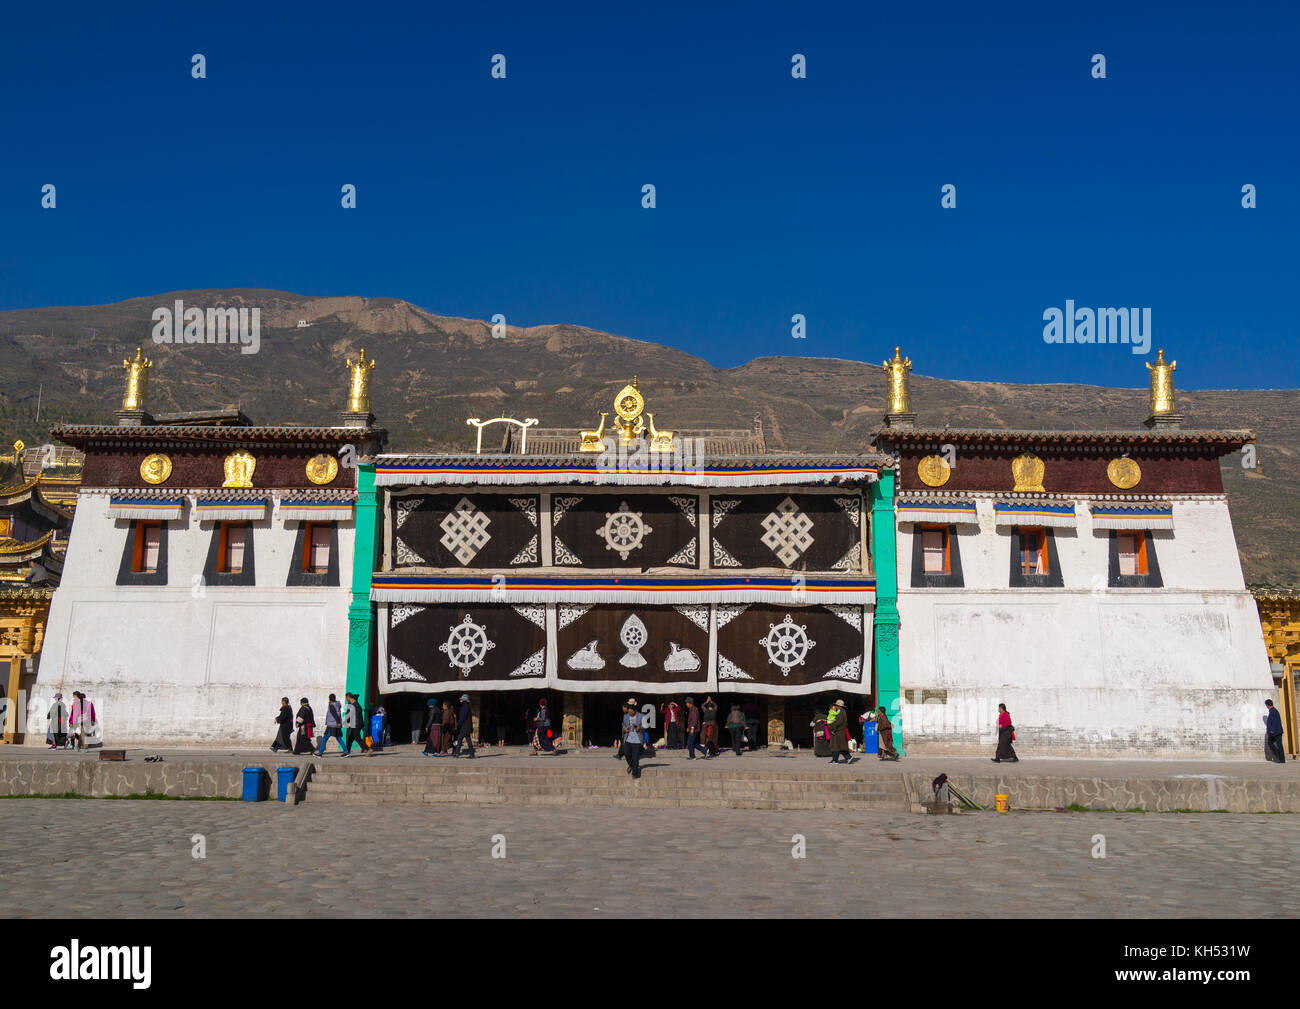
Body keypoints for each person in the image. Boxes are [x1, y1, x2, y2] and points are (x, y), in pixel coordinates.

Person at [827, 699, 854, 764]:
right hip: (838, 731)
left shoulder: (841, 711)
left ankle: (844, 758)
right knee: (838, 746)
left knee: (838, 746)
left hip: (839, 731)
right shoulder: (840, 711)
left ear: (838, 706)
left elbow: (839, 721)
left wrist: (832, 727)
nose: (835, 706)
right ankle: (836, 759)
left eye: (836, 705)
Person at [622, 698, 643, 778]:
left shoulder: (641, 716)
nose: (630, 714)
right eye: (629, 712)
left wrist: (640, 728)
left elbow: (645, 726)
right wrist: (625, 729)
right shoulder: (625, 716)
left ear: (635, 711)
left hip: (637, 740)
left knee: (635, 757)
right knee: (626, 753)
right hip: (628, 739)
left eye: (631, 712)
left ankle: (634, 773)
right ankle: (631, 765)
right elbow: (623, 725)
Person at [452, 693, 475, 758]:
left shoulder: (465, 707)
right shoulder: (466, 706)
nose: (460, 700)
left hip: (465, 726)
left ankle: (457, 753)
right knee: (466, 739)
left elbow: (462, 717)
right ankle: (471, 754)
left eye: (461, 699)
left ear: (464, 700)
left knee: (460, 739)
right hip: (466, 726)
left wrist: (458, 724)